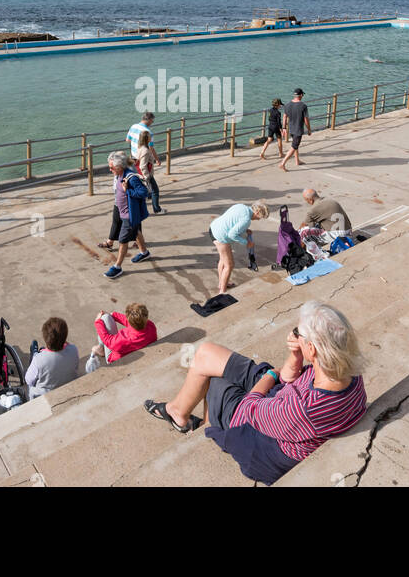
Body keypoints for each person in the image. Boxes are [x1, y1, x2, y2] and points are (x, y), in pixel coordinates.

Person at [143, 300, 367, 486]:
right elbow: (289, 378)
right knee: (206, 352)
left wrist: (269, 375)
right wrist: (296, 357)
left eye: (298, 333)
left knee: (215, 382)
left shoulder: (303, 410)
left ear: (312, 349)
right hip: (281, 399)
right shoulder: (348, 376)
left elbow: (248, 409)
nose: (294, 335)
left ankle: (204, 422)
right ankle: (178, 413)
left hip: (261, 441)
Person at [104, 152, 151, 279]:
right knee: (136, 233)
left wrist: (128, 190)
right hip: (122, 212)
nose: (110, 170)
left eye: (112, 168)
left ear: (119, 167)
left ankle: (117, 267)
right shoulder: (119, 175)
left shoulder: (131, 177)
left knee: (123, 241)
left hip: (129, 215)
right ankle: (144, 252)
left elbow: (143, 192)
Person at [210, 201, 267, 295]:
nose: (258, 220)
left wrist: (245, 230)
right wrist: (247, 243)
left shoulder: (241, 206)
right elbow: (232, 234)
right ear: (257, 212)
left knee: (223, 259)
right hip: (220, 236)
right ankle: (222, 292)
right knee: (229, 265)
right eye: (259, 217)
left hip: (214, 228)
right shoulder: (246, 220)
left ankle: (222, 283)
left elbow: (233, 220)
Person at [85, 303, 157, 373]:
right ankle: (100, 347)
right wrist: (113, 314)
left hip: (114, 359)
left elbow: (107, 339)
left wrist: (98, 322)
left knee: (105, 318)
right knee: (108, 316)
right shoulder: (151, 326)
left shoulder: (123, 339)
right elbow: (134, 323)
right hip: (134, 349)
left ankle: (101, 349)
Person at [25, 317, 80, 399]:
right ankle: (39, 351)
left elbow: (28, 380)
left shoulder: (38, 360)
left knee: (31, 382)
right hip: (67, 389)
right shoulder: (73, 350)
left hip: (44, 396)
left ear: (45, 338)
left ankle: (36, 352)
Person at [279, 88, 311, 172]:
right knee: (294, 146)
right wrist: (309, 129)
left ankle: (297, 160)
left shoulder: (287, 105)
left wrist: (284, 128)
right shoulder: (303, 106)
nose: (303, 96)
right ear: (300, 95)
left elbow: (284, 116)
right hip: (298, 130)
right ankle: (283, 163)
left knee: (295, 145)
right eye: (302, 95)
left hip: (291, 129)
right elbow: (306, 119)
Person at [134, 130, 164, 214]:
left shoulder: (140, 148)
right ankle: (157, 209)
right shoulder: (145, 151)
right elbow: (143, 166)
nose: (151, 138)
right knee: (155, 191)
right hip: (147, 175)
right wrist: (147, 177)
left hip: (141, 174)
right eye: (149, 136)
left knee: (147, 192)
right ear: (146, 139)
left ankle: (143, 209)